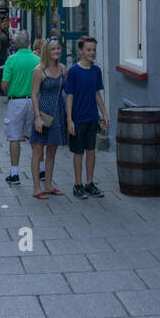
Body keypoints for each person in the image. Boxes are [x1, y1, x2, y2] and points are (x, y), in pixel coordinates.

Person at [64, 36, 108, 198]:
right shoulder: (74, 71)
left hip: (91, 117)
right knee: (78, 152)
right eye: (88, 50)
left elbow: (97, 93)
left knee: (91, 150)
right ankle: (78, 184)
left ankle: (90, 182)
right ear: (80, 51)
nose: (92, 53)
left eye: (94, 50)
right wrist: (69, 120)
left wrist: (104, 113)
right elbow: (69, 96)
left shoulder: (96, 71)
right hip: (77, 118)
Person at [0, 30, 39, 185]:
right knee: (35, 138)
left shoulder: (11, 60)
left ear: (15, 44)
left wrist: (6, 91)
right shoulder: (37, 59)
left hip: (16, 101)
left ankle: (14, 173)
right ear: (29, 43)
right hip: (34, 101)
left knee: (14, 137)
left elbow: (5, 84)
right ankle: (41, 169)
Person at [29, 38, 67, 199]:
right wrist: (37, 117)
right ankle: (37, 188)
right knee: (38, 151)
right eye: (53, 49)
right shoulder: (39, 70)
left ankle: (49, 185)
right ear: (47, 52)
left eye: (58, 49)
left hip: (57, 112)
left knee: (52, 150)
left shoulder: (63, 69)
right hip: (43, 112)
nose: (56, 52)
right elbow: (34, 95)